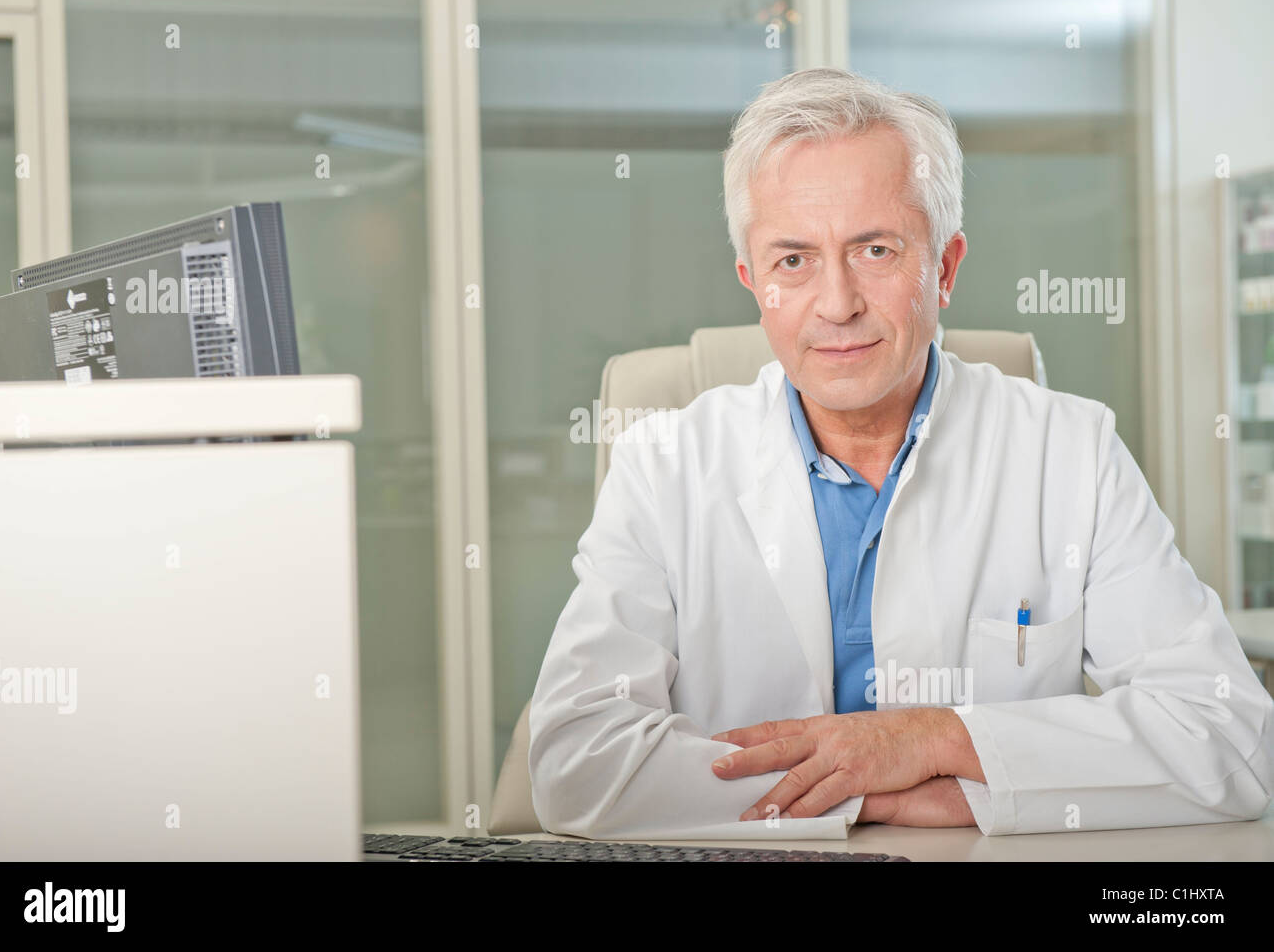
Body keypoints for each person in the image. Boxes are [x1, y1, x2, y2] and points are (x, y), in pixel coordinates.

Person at [528, 68, 1274, 839]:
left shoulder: (1070, 452)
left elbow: (1231, 736)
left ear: (943, 268)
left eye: (875, 250)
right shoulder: (663, 466)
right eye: (794, 261)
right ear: (755, 284)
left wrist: (933, 736)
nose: (837, 302)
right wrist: (872, 793)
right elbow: (574, 764)